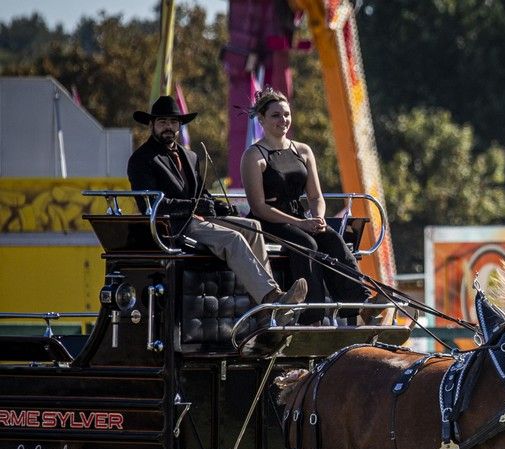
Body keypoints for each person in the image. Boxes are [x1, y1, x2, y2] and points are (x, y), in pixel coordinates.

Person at [127, 95, 306, 350]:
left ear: (179, 125)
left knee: (252, 227)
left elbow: (201, 195)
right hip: (174, 227)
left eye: (173, 122)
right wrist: (192, 207)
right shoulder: (142, 159)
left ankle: (266, 311)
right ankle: (271, 299)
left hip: (200, 218)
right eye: (163, 122)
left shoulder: (189, 156)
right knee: (232, 238)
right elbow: (150, 206)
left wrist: (220, 206)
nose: (169, 127)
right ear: (152, 125)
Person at [240, 87, 369, 325]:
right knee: (306, 244)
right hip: (269, 220)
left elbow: (315, 196)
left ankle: (358, 306)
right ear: (262, 119)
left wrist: (318, 218)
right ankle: (311, 315)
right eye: (276, 115)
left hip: (302, 218)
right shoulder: (253, 156)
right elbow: (258, 207)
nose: (283, 120)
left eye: (286, 114)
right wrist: (301, 223)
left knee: (332, 239)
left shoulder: (303, 151)